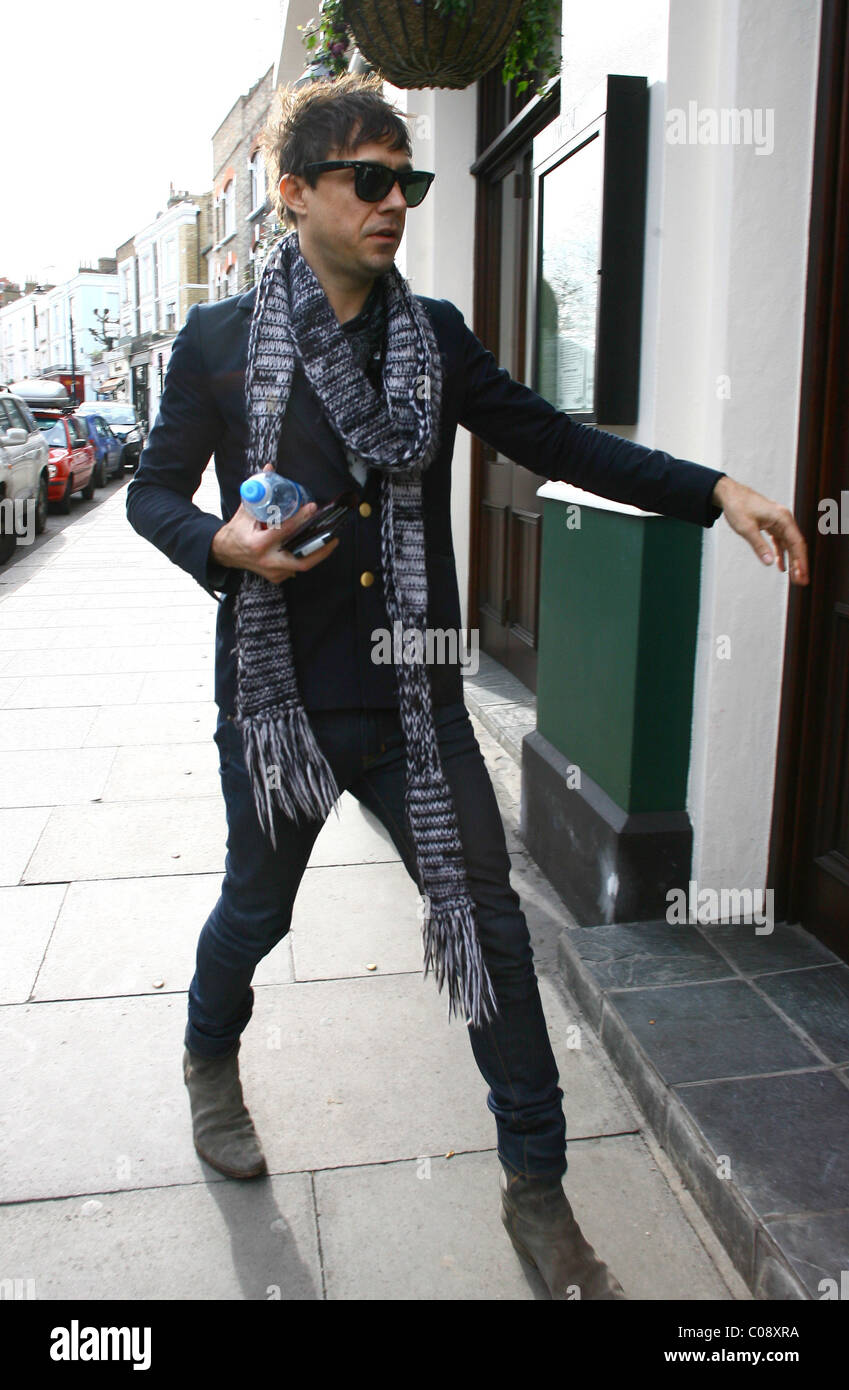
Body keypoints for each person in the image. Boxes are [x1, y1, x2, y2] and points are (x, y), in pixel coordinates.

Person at [125, 73, 809, 1301]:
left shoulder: (431, 336)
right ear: (296, 195)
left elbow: (559, 439)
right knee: (258, 912)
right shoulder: (222, 343)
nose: (394, 201)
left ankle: (536, 1189)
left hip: (416, 700)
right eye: (367, 179)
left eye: (409, 180)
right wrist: (218, 546)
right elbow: (151, 492)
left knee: (490, 931)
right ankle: (207, 1055)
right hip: (281, 702)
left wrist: (714, 490)